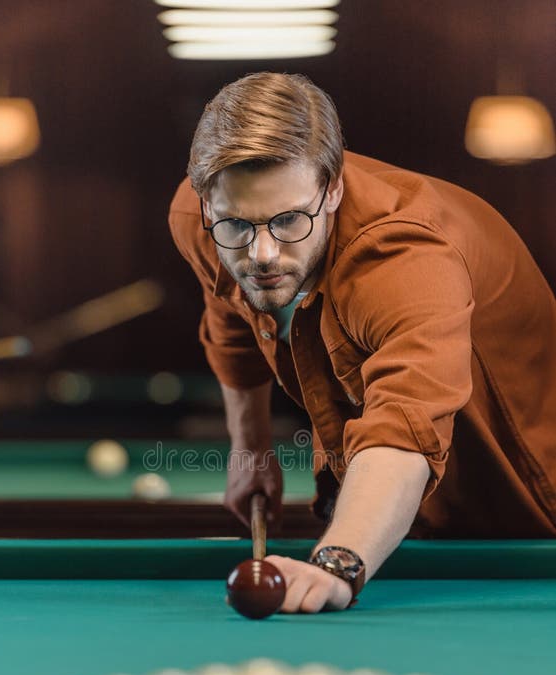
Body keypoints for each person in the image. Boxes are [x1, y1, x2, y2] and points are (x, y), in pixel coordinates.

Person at [169, 71, 556, 614]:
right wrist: (251, 447)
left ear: (332, 190)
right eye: (236, 223)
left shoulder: (404, 257)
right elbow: (234, 317)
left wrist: (338, 563)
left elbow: (405, 421)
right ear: (207, 203)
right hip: (390, 512)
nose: (260, 253)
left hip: (530, 508)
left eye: (287, 220)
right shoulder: (200, 221)